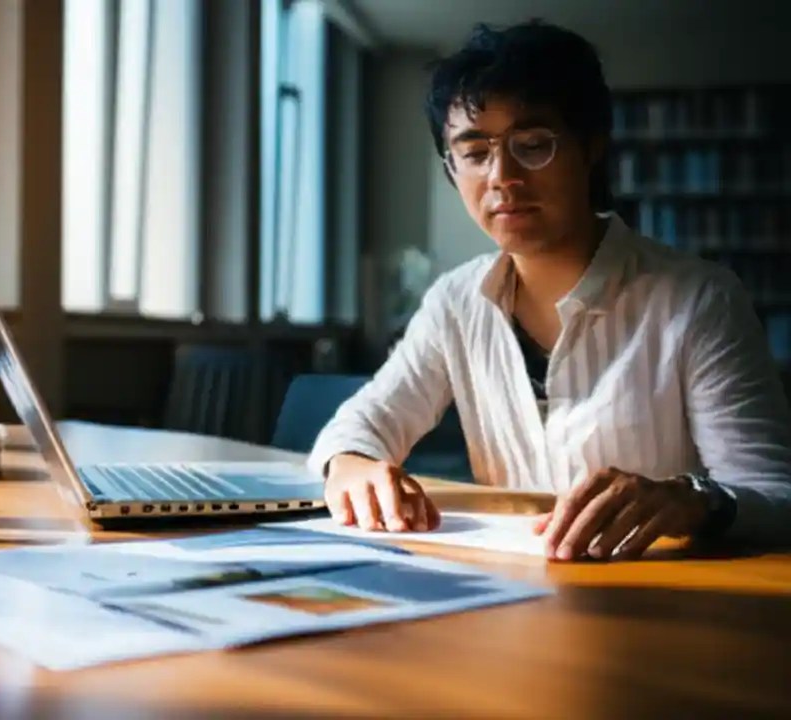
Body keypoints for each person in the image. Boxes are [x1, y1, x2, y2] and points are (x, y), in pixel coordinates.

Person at [309, 20, 791, 561]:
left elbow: (776, 497)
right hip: (511, 597)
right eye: (474, 152)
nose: (501, 176)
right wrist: (350, 464)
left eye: (533, 144)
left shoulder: (699, 300)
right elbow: (363, 422)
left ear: (591, 146)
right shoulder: (456, 302)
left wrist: (694, 500)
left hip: (663, 597)